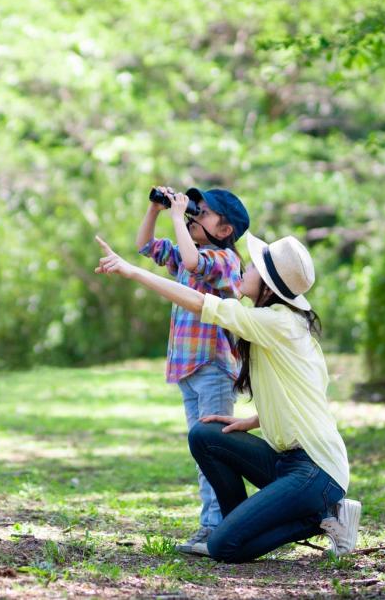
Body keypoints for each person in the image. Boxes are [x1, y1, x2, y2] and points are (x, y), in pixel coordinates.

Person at [94, 232, 361, 562]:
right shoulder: (277, 325)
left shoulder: (278, 322)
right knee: (206, 435)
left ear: (268, 284)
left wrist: (132, 270)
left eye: (252, 267)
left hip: (317, 471)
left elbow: (198, 302)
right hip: (289, 462)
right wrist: (251, 420)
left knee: (224, 548)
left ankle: (325, 518)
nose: (243, 269)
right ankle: (237, 523)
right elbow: (304, 392)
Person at [134, 186, 249, 553]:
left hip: (212, 366)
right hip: (186, 368)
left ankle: (213, 526)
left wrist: (178, 217)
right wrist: (155, 210)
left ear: (225, 228)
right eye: (195, 208)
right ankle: (214, 524)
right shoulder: (191, 251)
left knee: (211, 452)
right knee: (202, 451)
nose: (195, 214)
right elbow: (145, 246)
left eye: (204, 211)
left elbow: (193, 263)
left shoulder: (225, 260)